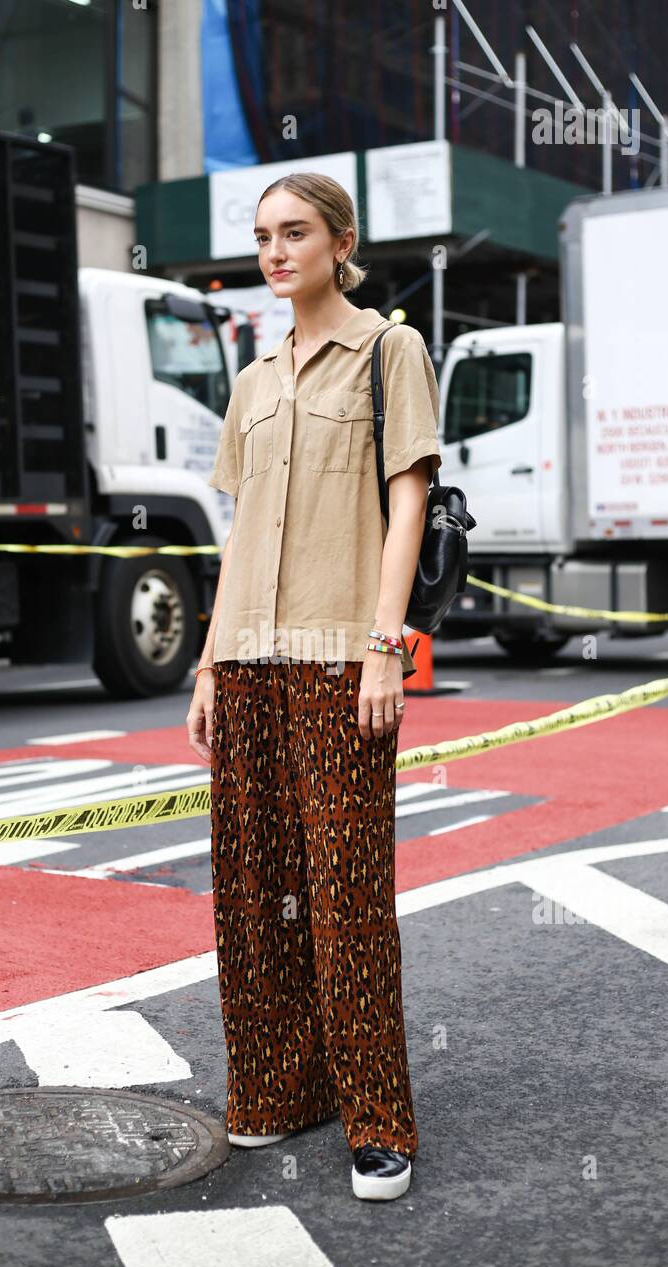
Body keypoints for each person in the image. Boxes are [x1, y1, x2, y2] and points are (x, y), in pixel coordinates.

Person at [186, 171, 442, 1202]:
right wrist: (208, 660)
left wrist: (387, 644)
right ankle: (279, 1086)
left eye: (294, 232)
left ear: (341, 242)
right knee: (252, 895)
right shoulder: (253, 380)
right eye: (261, 236)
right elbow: (240, 534)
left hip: (341, 654)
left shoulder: (389, 350)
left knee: (343, 897)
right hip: (248, 656)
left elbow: (407, 494)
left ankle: (377, 1117)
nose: (274, 250)